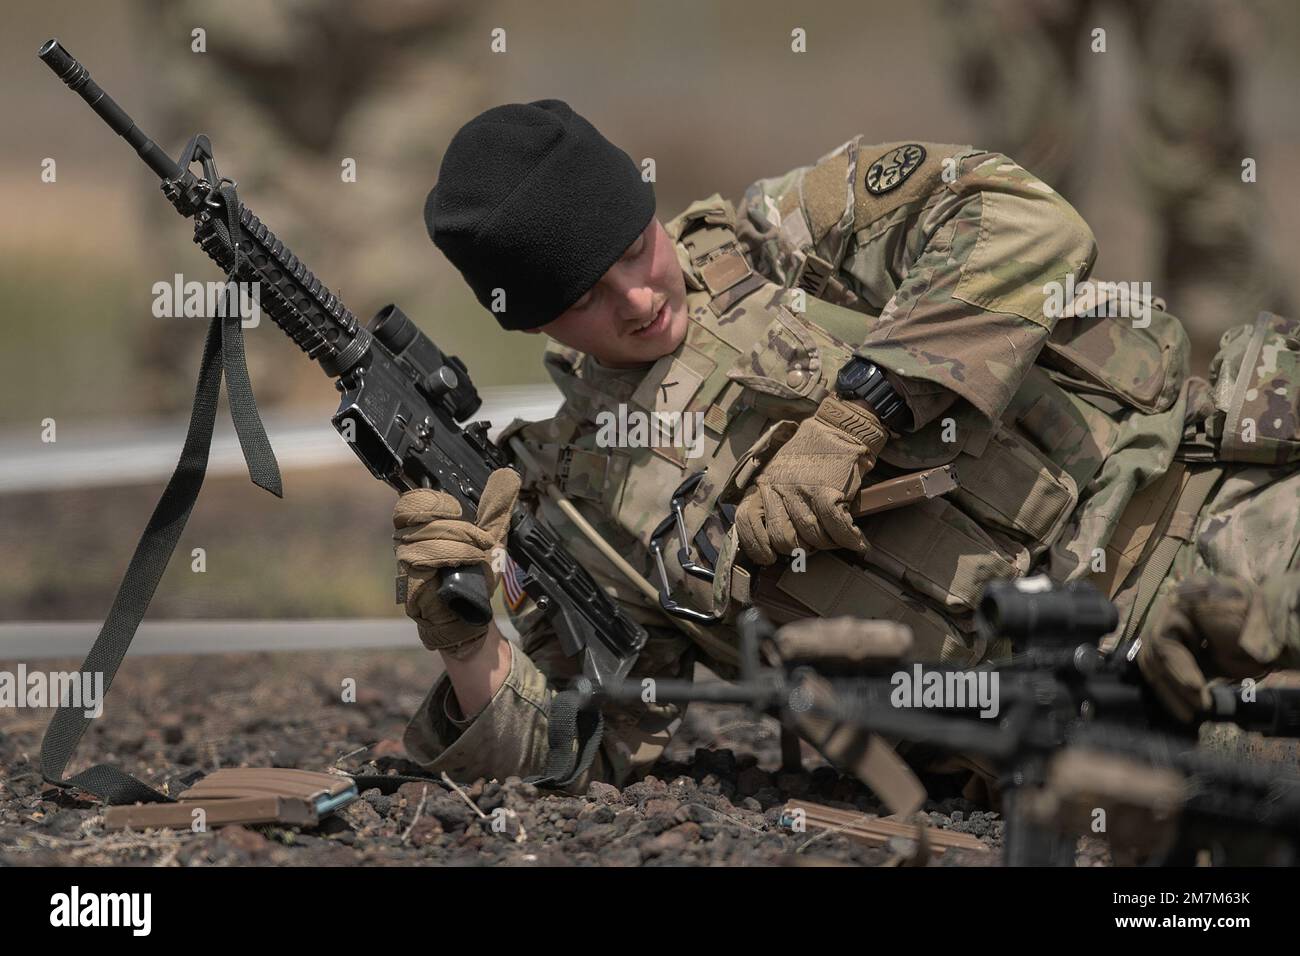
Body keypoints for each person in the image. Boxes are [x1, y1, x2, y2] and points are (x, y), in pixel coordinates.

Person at [393, 99, 1300, 792]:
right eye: (586, 296)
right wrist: (464, 640)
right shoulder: (576, 506)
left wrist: (856, 415)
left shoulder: (787, 237)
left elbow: (1031, 225)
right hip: (1079, 725)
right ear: (532, 318)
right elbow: (583, 747)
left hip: (1215, 521)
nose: (636, 298)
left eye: (637, 247)